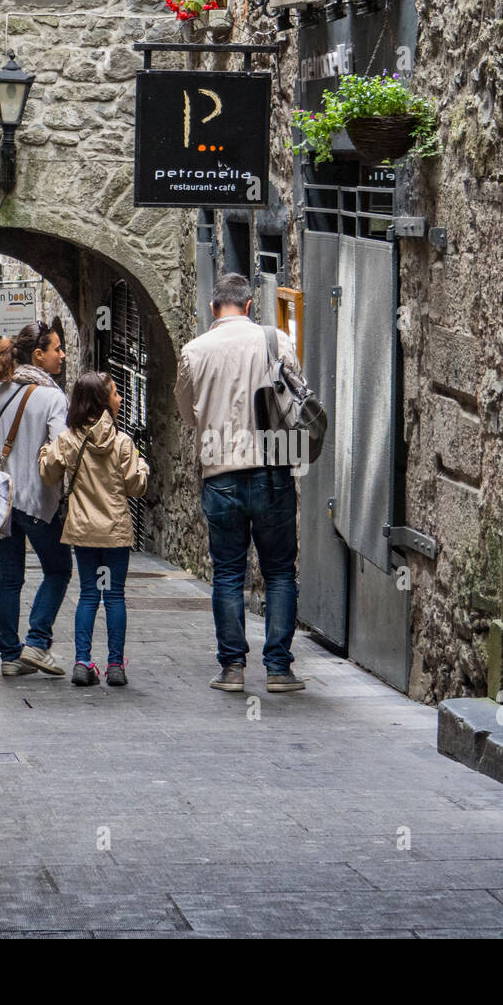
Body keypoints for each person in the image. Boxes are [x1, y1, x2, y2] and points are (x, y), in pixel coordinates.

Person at [174, 272, 306, 693]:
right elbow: (297, 397)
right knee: (280, 572)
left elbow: (186, 410)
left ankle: (232, 668)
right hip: (272, 470)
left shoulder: (194, 351)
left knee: (228, 573)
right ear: (250, 305)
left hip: (220, 472)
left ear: (214, 308)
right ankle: (279, 669)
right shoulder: (276, 341)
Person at [0, 321, 72, 678]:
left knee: (9, 577)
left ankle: (10, 655)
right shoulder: (53, 397)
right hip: (37, 501)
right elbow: (60, 448)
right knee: (59, 569)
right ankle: (37, 642)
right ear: (38, 355)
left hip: (2, 501)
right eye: (57, 349)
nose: (62, 355)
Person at [40, 372, 149, 687]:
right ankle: (115, 665)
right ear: (102, 401)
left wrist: (44, 453)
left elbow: (48, 475)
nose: (119, 399)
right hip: (115, 530)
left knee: (89, 593)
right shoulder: (122, 443)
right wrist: (143, 467)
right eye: (115, 393)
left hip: (84, 529)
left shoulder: (69, 440)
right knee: (114, 595)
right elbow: (136, 487)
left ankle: (82, 662)